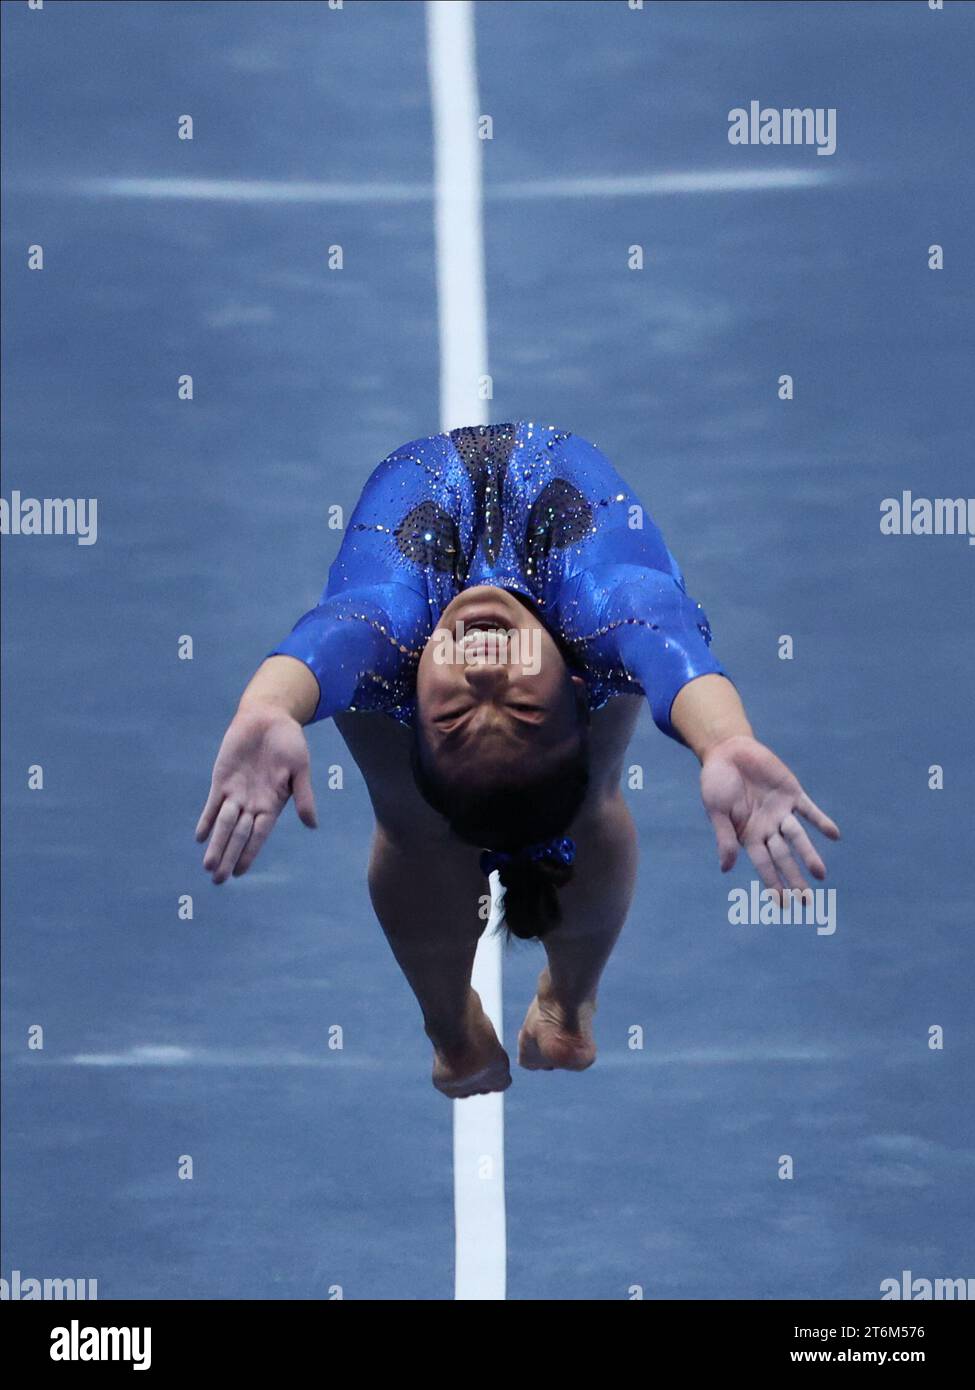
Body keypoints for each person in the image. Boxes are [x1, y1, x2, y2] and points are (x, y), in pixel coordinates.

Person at [197, 422, 839, 1098]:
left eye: (450, 717)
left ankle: (452, 1036)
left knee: (412, 823)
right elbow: (666, 643)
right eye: (523, 711)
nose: (483, 682)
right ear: (573, 687)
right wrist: (723, 740)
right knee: (583, 801)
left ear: (419, 713)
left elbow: (332, 635)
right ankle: (566, 1007)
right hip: (575, 629)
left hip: (404, 658)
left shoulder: (392, 634)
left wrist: (269, 708)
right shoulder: (597, 618)